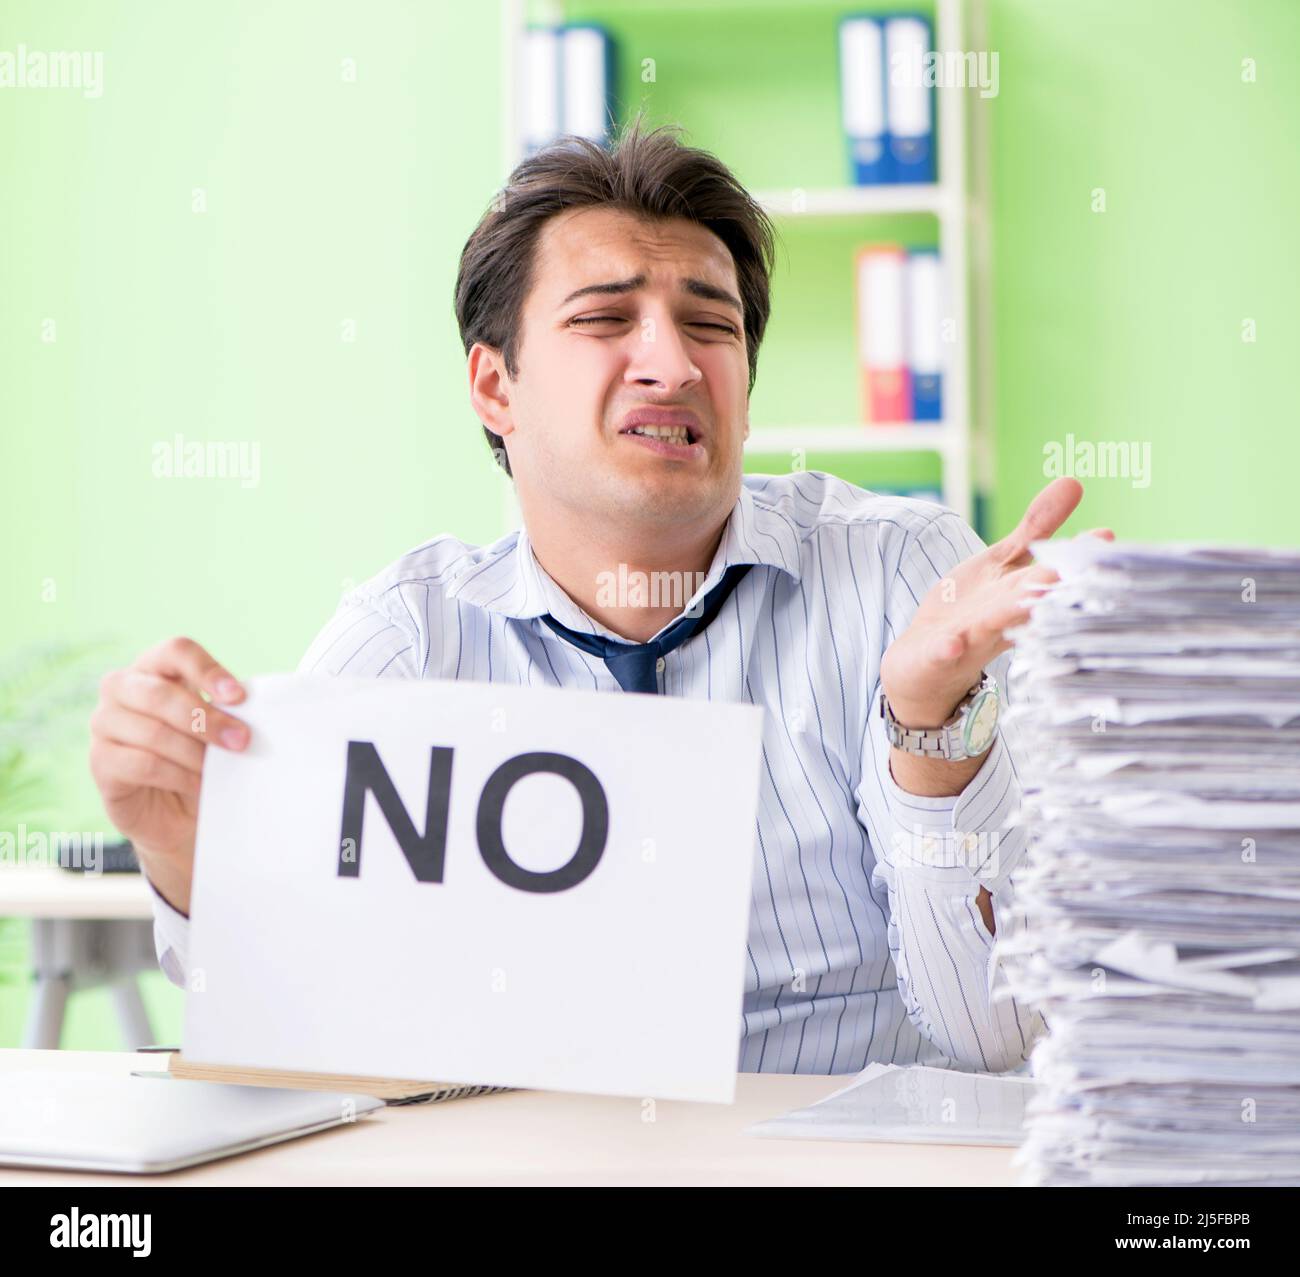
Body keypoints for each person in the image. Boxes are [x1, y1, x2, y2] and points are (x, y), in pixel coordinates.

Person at [89, 118, 1109, 1075]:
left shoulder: (907, 578)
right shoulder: (407, 640)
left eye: (710, 325)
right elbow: (303, 1030)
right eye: (605, 319)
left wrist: (928, 727)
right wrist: (185, 854)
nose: (670, 363)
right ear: (495, 388)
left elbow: (993, 1034)